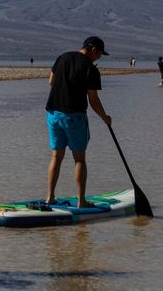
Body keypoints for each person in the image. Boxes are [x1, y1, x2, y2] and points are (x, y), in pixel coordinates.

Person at [45, 36, 112, 209]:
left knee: (56, 157)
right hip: (74, 117)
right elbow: (93, 100)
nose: (99, 58)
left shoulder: (63, 57)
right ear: (93, 49)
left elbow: (51, 81)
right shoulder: (90, 68)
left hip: (53, 114)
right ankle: (82, 201)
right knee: (79, 159)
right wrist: (105, 117)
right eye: (100, 55)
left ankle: (50, 197)